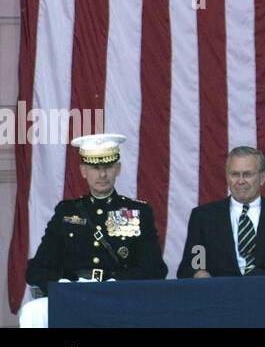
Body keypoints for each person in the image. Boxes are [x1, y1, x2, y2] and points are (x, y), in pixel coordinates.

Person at [22, 133, 167, 318]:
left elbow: (155, 268)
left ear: (118, 169)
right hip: (74, 295)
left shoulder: (138, 212)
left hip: (120, 296)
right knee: (32, 312)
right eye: (94, 167)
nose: (102, 174)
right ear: (83, 170)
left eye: (108, 166)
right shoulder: (66, 212)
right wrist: (63, 283)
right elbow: (37, 268)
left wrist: (118, 283)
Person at [177, 146, 265, 278]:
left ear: (262, 177)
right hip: (220, 295)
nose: (240, 181)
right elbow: (191, 266)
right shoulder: (203, 217)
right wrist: (199, 273)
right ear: (227, 177)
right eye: (234, 174)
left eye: (247, 174)